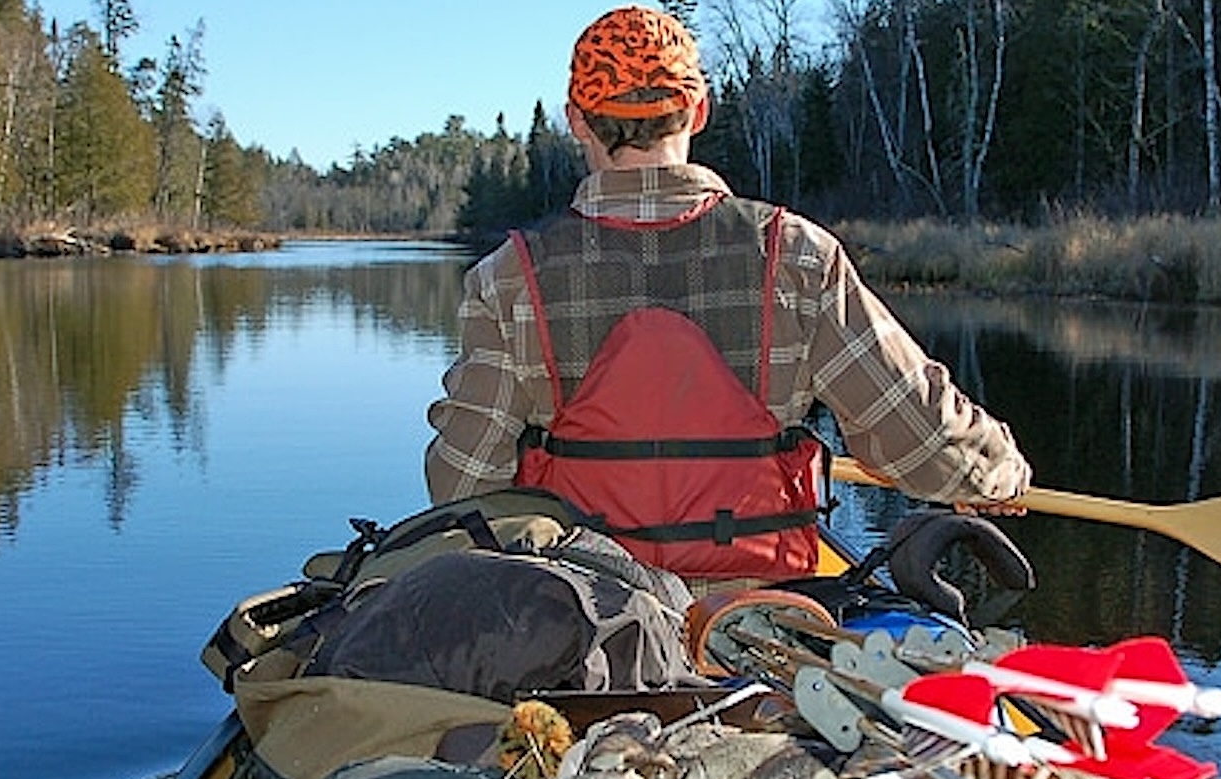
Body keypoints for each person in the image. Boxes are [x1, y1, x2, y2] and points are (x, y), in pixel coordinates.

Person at [423, 4, 1031, 583]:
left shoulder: (508, 276)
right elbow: (918, 438)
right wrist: (998, 473)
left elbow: (464, 484)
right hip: (759, 610)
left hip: (584, 619)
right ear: (697, 110)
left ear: (577, 119)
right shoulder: (795, 255)